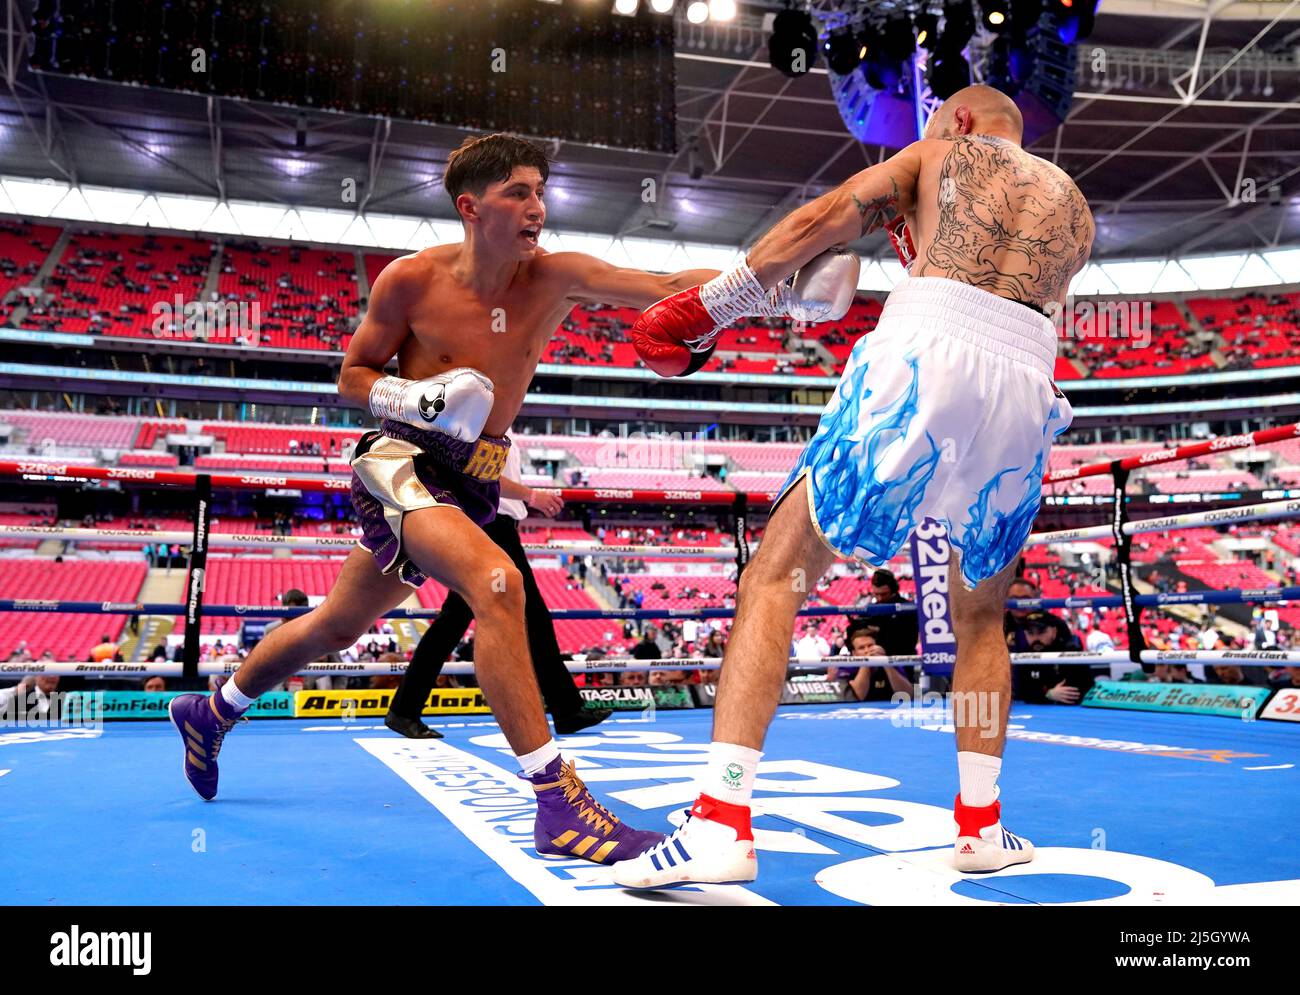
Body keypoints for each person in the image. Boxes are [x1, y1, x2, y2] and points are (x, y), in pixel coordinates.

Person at [167, 132, 824, 866]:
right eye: (519, 192)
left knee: (336, 626)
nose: (537, 206)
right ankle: (557, 802)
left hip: (473, 481)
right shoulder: (409, 281)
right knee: (497, 582)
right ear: (471, 208)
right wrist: (412, 396)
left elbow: (664, 281)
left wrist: (784, 290)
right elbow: (352, 375)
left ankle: (212, 708)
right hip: (398, 460)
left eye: (541, 191)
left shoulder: (554, 276)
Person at [614, 85, 1093, 888]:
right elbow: (1018, 301)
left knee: (776, 574)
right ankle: (981, 825)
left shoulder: (939, 152)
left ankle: (721, 822)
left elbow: (818, 221)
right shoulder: (1074, 207)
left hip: (924, 350)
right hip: (1029, 381)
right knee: (979, 618)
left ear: (960, 121)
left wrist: (710, 306)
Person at [384, 428, 611, 739]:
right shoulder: (480, 421)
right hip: (492, 525)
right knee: (531, 618)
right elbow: (479, 476)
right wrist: (533, 496)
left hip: (496, 524)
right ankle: (566, 708)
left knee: (455, 620)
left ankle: (405, 708)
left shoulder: (498, 423)